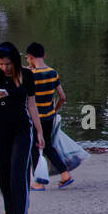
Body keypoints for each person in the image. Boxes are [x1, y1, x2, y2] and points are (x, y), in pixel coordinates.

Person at [0, 42, 44, 214]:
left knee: (18, 171)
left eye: (8, 64)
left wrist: (39, 132)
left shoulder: (26, 76)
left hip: (22, 129)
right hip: (0, 130)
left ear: (15, 61)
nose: (5, 68)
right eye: (1, 64)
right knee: (2, 173)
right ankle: (8, 209)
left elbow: (32, 105)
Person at [25, 42, 72, 190]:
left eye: (27, 57)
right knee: (47, 146)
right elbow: (62, 97)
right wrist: (54, 110)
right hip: (49, 117)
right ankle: (65, 174)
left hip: (35, 117)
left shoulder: (30, 75)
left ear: (30, 57)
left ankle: (38, 182)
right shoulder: (52, 72)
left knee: (34, 147)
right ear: (44, 55)